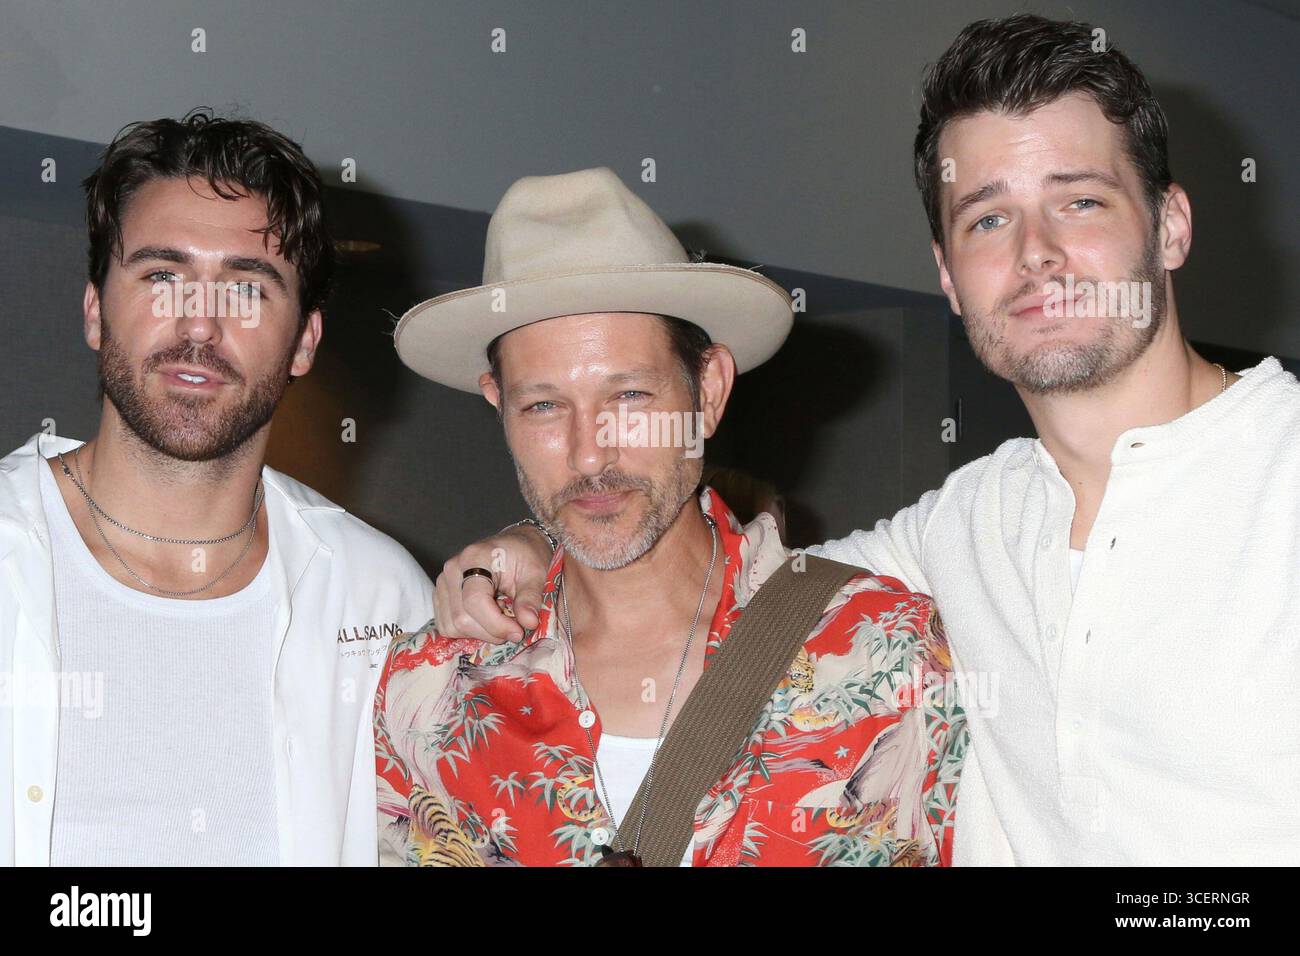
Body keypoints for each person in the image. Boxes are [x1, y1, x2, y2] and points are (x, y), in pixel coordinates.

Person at [429, 15, 1300, 865]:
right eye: (988, 220)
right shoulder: (969, 524)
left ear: (1173, 225)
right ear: (948, 277)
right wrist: (534, 542)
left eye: (1080, 201)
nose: (1038, 254)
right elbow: (726, 569)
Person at [374, 167, 965, 866]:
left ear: (708, 391)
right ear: (496, 405)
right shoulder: (431, 688)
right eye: (542, 406)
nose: (589, 454)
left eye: (628, 396)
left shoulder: (887, 652)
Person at [0, 111, 432, 865]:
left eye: (247, 288)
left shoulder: (380, 600)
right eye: (162, 276)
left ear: (304, 341)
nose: (198, 324)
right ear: (95, 309)